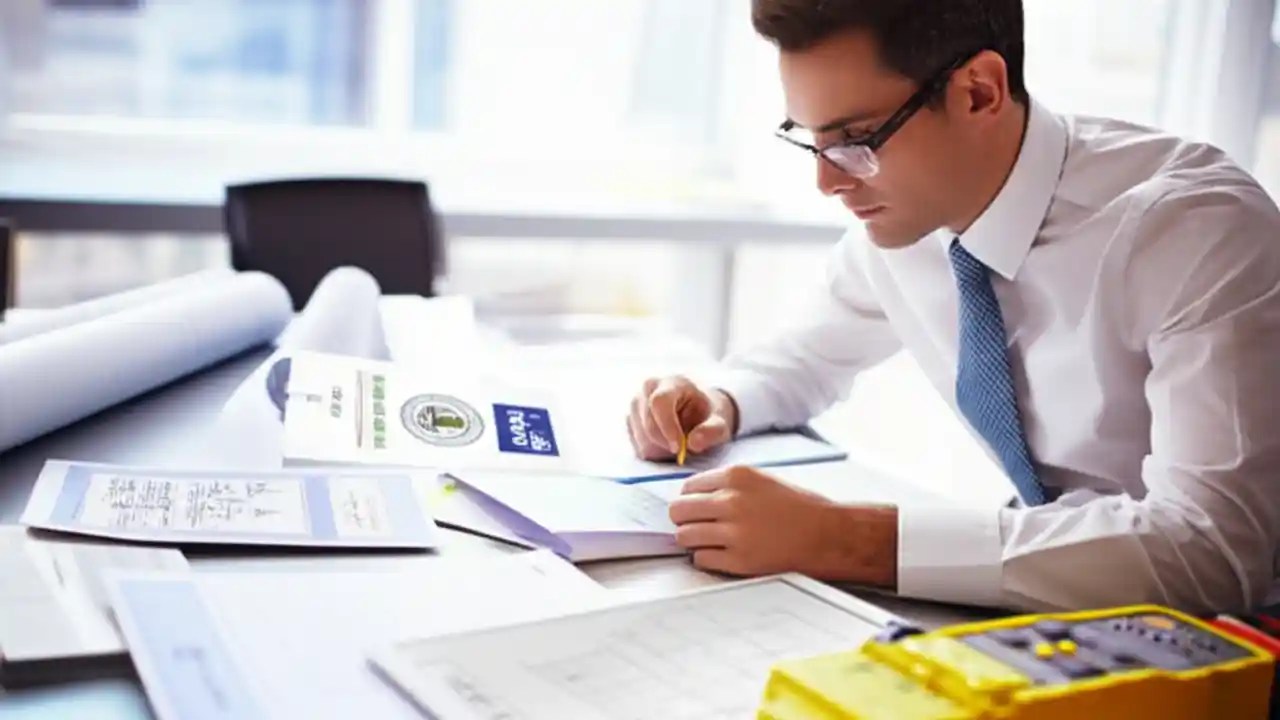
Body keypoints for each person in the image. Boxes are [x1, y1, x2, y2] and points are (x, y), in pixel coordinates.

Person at [628, 0, 1280, 613]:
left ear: (979, 93)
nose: (826, 181)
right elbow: (803, 360)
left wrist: (849, 540)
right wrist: (719, 402)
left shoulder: (1194, 229)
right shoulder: (908, 220)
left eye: (855, 138)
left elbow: (1214, 550)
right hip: (1057, 624)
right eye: (812, 139)